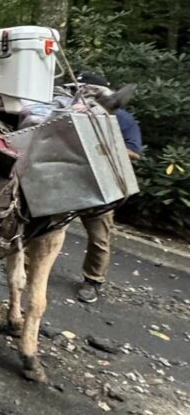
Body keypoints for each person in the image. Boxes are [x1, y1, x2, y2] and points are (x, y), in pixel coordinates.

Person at [75, 71, 142, 304]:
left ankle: (93, 280)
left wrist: (102, 143)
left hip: (101, 187)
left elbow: (134, 153)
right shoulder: (72, 112)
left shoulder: (123, 119)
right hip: (71, 183)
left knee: (99, 237)